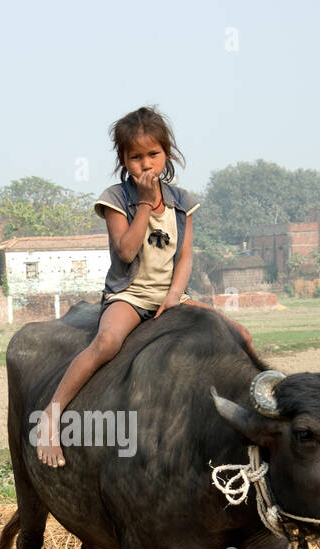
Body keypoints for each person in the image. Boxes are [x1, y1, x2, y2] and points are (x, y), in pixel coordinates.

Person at [35, 105, 255, 467]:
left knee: (240, 333)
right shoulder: (116, 199)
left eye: (153, 154)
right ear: (123, 160)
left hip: (171, 295)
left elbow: (184, 258)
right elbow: (126, 250)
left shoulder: (182, 202)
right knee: (106, 342)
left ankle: (254, 422)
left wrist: (174, 297)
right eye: (135, 157)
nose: (146, 164)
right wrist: (141, 204)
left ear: (166, 153)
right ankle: (52, 415)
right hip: (130, 295)